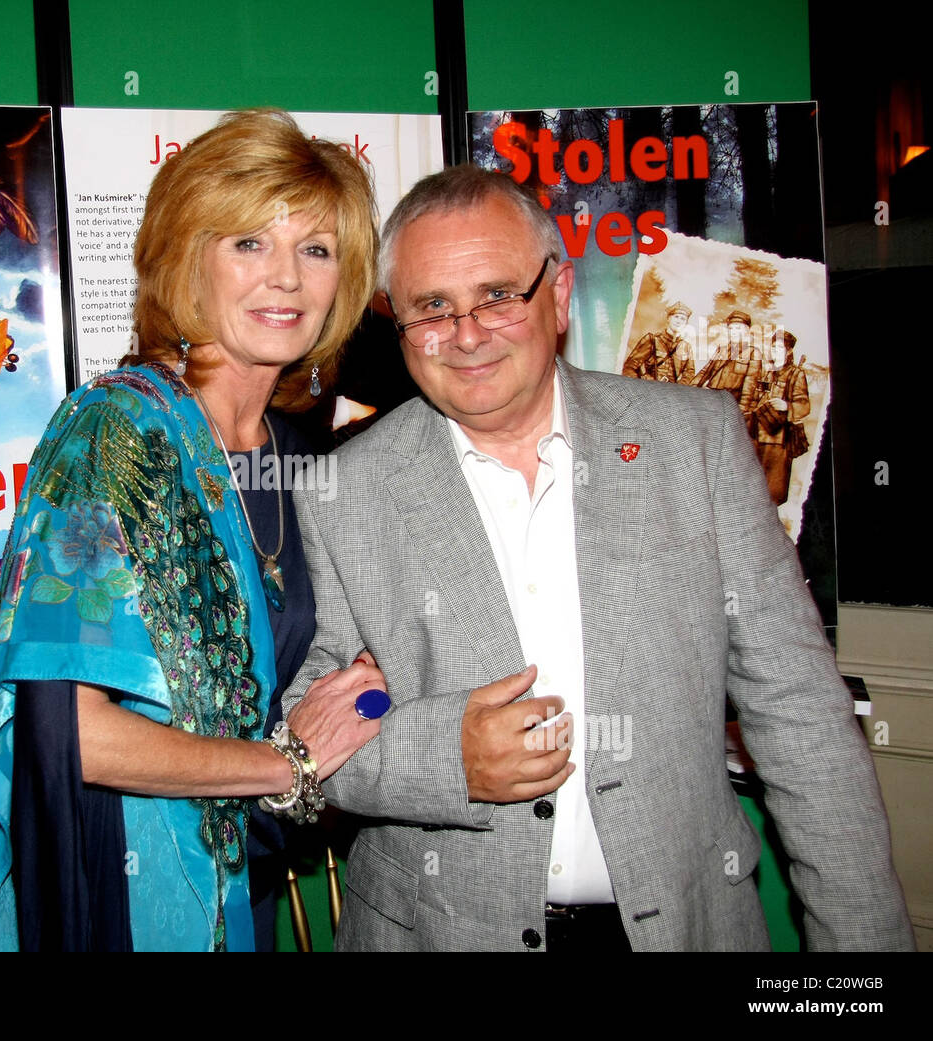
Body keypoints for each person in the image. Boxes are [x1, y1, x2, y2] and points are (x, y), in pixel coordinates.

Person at [283, 164, 914, 952]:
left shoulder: (698, 443)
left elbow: (800, 717)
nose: (467, 332)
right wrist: (448, 757)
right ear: (398, 323)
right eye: (432, 307)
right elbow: (311, 743)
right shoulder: (342, 490)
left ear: (557, 295)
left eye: (497, 294)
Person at [0, 109, 385, 952]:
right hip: (119, 894)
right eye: (248, 244)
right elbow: (71, 728)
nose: (288, 279)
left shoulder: (292, 452)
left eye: (316, 249)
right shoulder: (110, 440)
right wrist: (286, 765)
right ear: (187, 261)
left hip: (242, 877)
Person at [748, 328, 810, 505]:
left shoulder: (796, 374)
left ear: (789, 351)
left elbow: (804, 406)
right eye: (773, 347)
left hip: (779, 439)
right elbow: (756, 398)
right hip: (759, 433)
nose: (775, 351)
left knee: (773, 491)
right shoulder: (768, 372)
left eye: (779, 348)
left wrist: (787, 405)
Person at [694, 308, 762, 415]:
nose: (733, 332)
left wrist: (741, 410)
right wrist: (688, 390)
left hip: (731, 403)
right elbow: (705, 372)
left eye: (738, 328)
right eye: (731, 328)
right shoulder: (722, 349)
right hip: (711, 399)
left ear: (747, 330)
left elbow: (749, 385)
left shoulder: (753, 353)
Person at [620, 302, 695, 384]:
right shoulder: (652, 340)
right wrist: (639, 386)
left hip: (670, 392)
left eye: (682, 319)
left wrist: (677, 390)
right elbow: (629, 367)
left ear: (686, 323)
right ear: (668, 319)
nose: (679, 321)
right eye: (676, 317)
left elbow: (689, 374)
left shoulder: (686, 347)